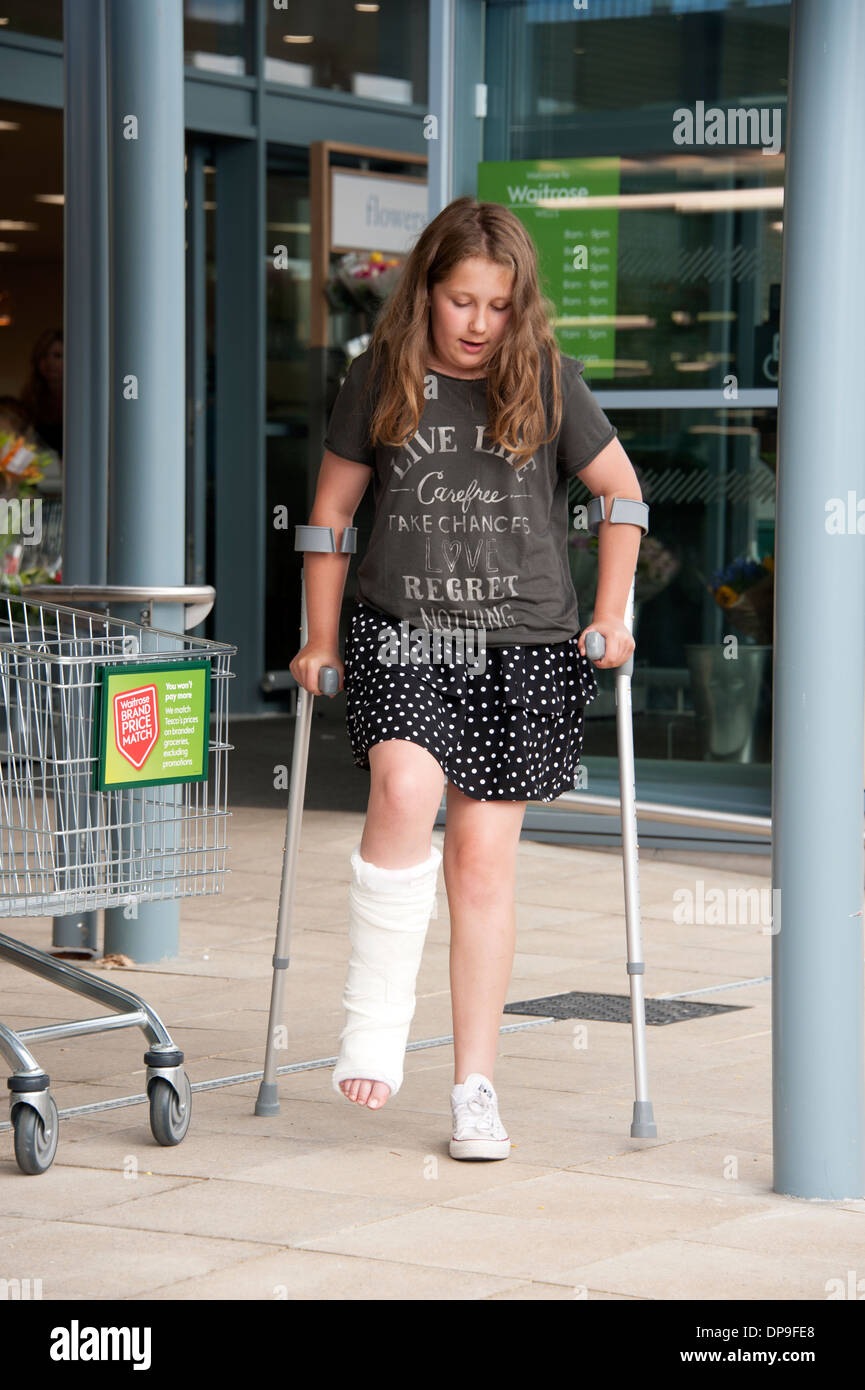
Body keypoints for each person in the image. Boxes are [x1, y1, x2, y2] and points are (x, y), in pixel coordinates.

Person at [289, 195, 644, 1161]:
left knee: (481, 869)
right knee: (405, 786)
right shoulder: (377, 377)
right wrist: (321, 638)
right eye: (459, 302)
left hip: (524, 645)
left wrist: (610, 614)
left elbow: (621, 496)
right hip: (403, 634)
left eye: (497, 304)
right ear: (424, 295)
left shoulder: (547, 380)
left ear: (519, 304)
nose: (479, 324)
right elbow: (328, 516)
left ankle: (474, 1088)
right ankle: (375, 1023)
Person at [19, 328, 63, 460]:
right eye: (44, 355)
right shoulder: (31, 399)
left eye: (58, 356)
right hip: (46, 473)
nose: (50, 362)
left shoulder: (86, 399)